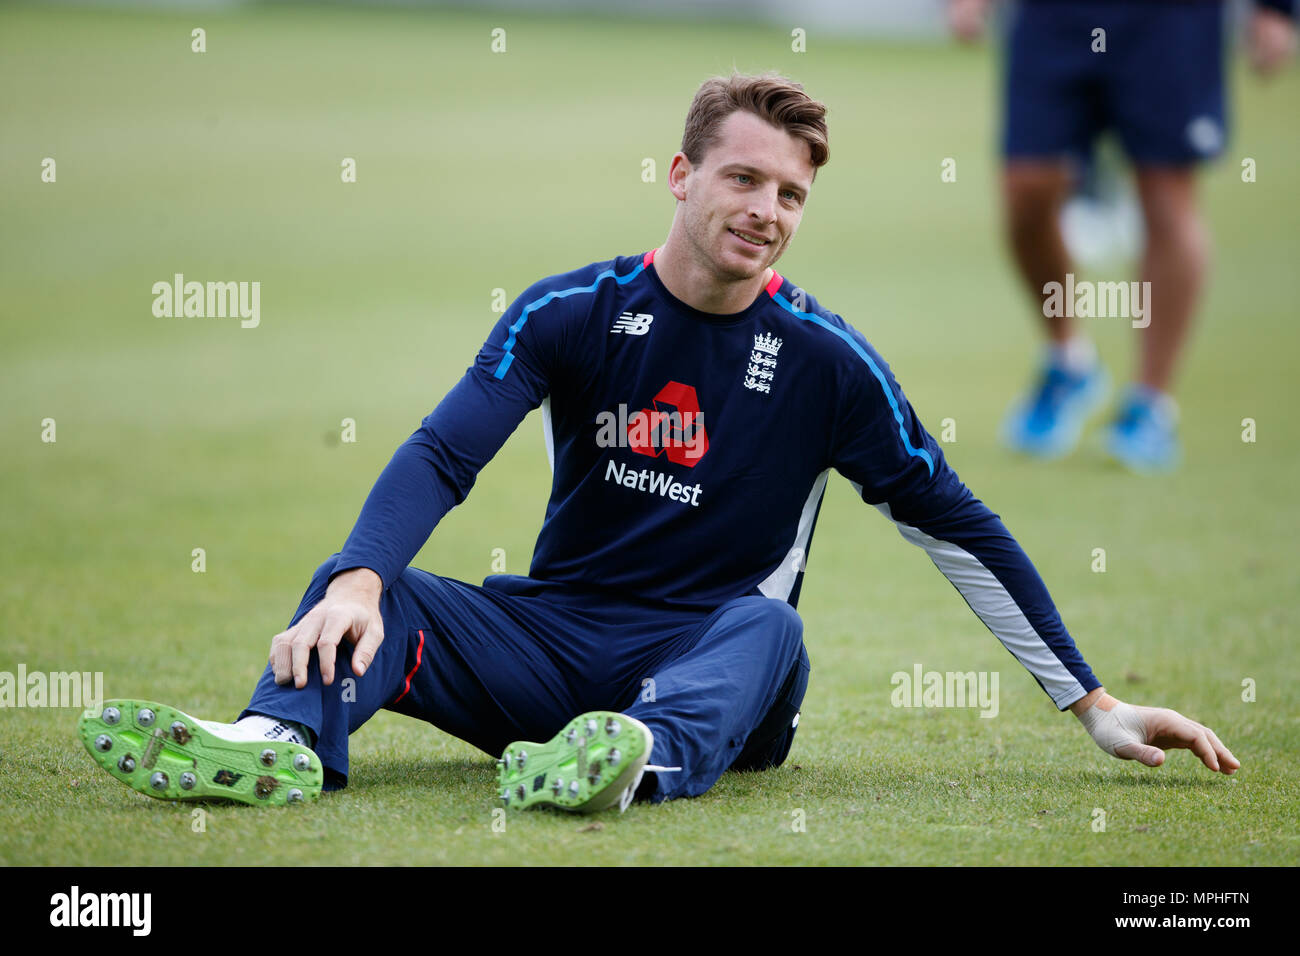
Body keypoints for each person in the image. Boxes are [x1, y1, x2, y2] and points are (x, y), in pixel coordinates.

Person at [78, 72, 1239, 813]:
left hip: (716, 666)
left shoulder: (830, 363)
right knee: (374, 587)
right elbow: (441, 455)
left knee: (769, 622)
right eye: (743, 177)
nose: (766, 210)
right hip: (553, 639)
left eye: (789, 194)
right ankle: (272, 741)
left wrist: (1092, 704)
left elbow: (959, 527)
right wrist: (363, 576)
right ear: (681, 175)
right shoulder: (568, 312)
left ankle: (631, 756)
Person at [949, 0, 1296, 471]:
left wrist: (1276, 9)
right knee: (1026, 187)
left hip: (1171, 19)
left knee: (1166, 192)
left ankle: (1150, 405)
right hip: (1055, 16)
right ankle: (1069, 361)